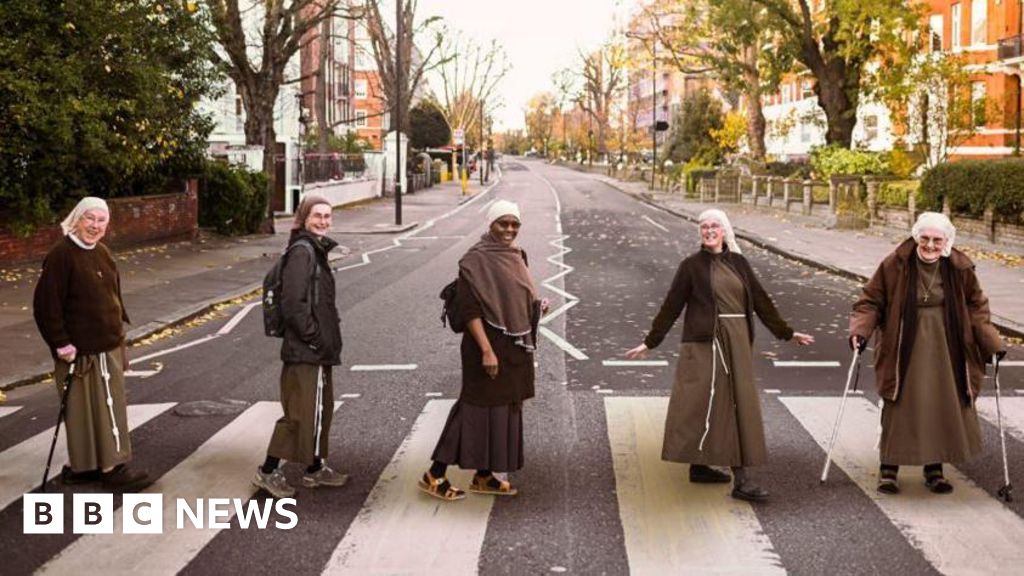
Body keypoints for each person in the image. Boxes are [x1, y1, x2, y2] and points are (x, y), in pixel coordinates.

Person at [626, 209, 814, 502]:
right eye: (704, 227)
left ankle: (704, 467)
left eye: (714, 226)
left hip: (736, 341)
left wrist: (787, 333)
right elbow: (672, 306)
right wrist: (651, 342)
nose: (709, 230)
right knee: (708, 402)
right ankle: (739, 480)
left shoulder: (739, 263)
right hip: (706, 343)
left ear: (724, 231)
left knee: (735, 403)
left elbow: (761, 301)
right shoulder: (691, 266)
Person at [850, 211, 1004, 495]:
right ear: (916, 237)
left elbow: (977, 307)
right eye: (925, 239)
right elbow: (870, 300)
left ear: (947, 241)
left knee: (940, 404)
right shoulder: (896, 263)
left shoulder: (959, 268)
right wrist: (861, 331)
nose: (930, 245)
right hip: (903, 345)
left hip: (947, 346)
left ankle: (935, 469)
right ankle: (889, 469)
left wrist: (991, 342)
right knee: (900, 404)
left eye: (937, 240)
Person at [419, 200, 548, 501]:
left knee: (504, 410)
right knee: (473, 408)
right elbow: (470, 310)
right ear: (491, 224)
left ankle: (484, 475)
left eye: (514, 224)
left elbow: (514, 297)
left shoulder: (518, 255)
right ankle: (434, 474)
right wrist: (487, 351)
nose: (509, 229)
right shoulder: (474, 260)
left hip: (514, 345)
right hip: (485, 344)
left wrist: (536, 307)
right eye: (503, 223)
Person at [33, 197, 150, 491]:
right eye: (90, 219)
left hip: (106, 346)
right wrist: (61, 344)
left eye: (101, 220)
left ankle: (84, 468)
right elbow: (46, 306)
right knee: (84, 413)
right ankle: (110, 470)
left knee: (108, 408)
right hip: (79, 352)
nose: (95, 226)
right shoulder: (61, 255)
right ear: (77, 219)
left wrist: (119, 331)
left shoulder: (102, 252)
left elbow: (112, 293)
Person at [253, 195, 347, 498]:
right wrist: (314, 338)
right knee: (299, 414)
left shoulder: (314, 249)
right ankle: (267, 471)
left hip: (317, 349)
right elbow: (293, 304)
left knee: (320, 409)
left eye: (327, 216)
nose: (323, 221)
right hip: (307, 349)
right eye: (317, 215)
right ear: (304, 218)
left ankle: (315, 467)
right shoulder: (302, 252)